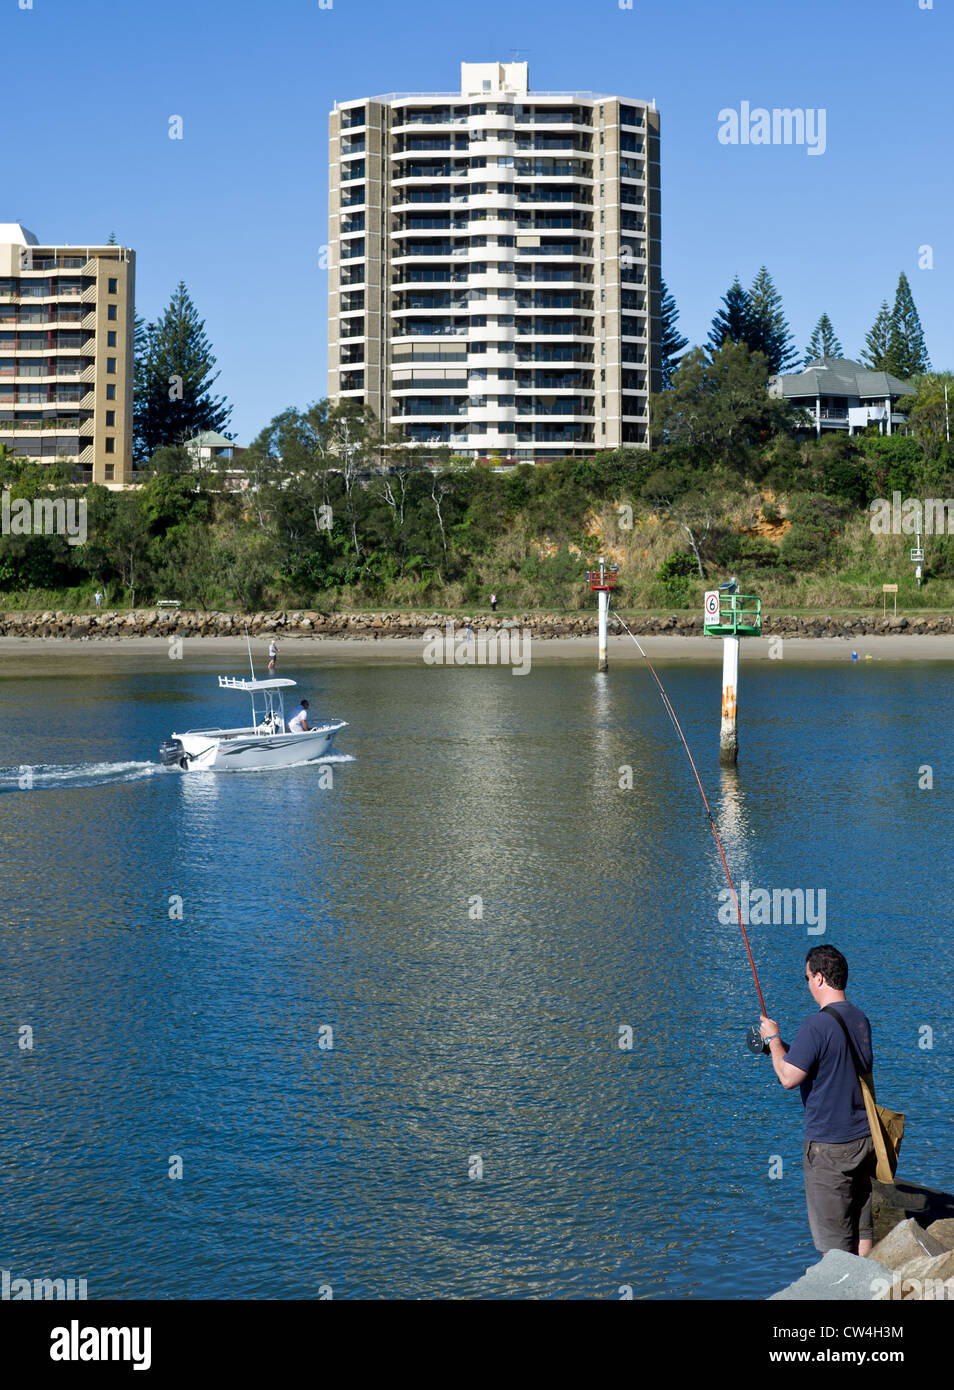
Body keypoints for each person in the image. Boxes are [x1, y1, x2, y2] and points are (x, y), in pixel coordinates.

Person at [759, 945, 876, 1257]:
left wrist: (772, 1039)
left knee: (833, 1247)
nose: (808, 983)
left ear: (820, 978)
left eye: (808, 977)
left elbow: (788, 1077)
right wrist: (782, 1048)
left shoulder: (816, 1024)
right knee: (862, 1229)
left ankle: (840, 1283)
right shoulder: (860, 1018)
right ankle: (866, 1281)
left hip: (830, 1147)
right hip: (865, 1139)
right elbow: (831, 1059)